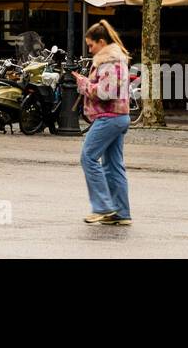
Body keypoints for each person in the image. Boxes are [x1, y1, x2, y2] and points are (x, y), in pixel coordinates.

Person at [71, 20, 132, 226]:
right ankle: (122, 213)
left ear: (101, 42)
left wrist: (84, 84)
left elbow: (106, 93)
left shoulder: (109, 62)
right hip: (119, 116)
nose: (90, 49)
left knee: (88, 157)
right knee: (113, 165)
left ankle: (103, 207)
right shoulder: (118, 60)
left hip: (108, 116)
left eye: (91, 45)